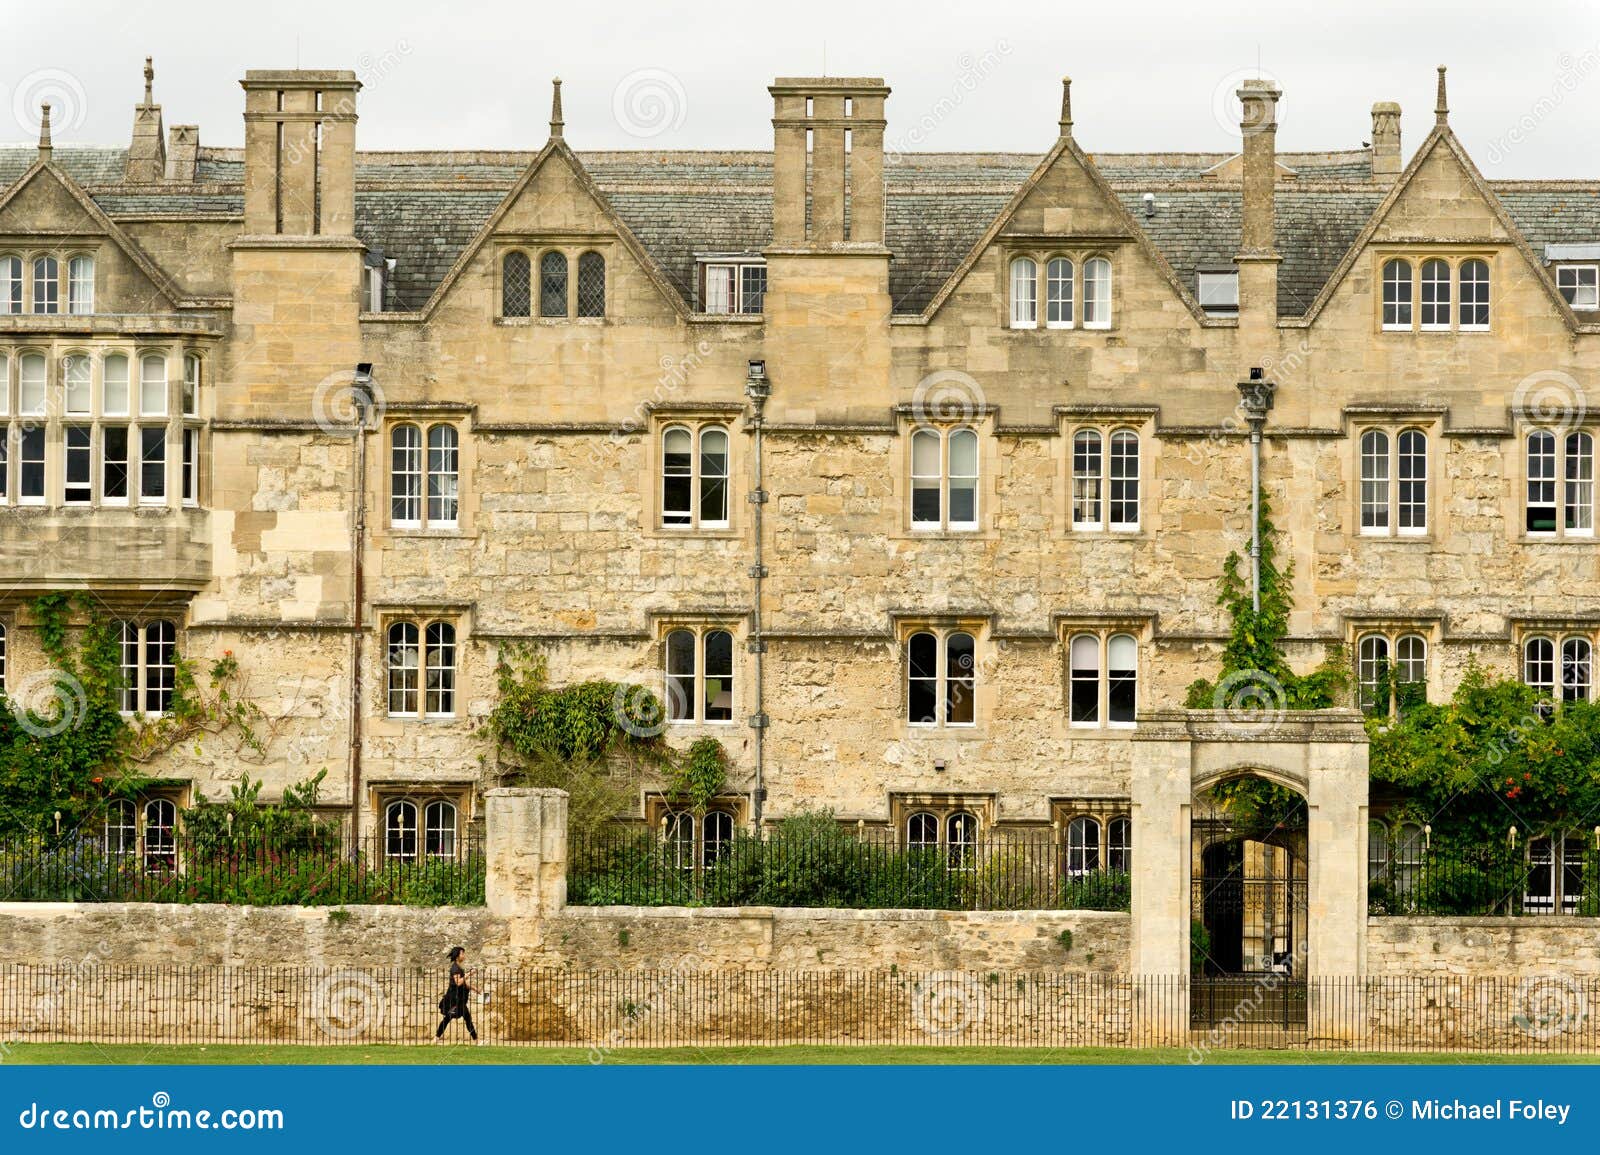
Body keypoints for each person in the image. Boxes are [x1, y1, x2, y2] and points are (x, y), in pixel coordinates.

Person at [433, 945, 478, 1043]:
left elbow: (464, 983)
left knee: (453, 1018)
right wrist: (470, 973)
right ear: (457, 956)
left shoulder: (458, 968)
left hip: (458, 999)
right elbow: (458, 982)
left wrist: (474, 989)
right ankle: (476, 1040)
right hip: (454, 999)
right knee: (460, 1018)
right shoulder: (455, 968)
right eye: (462, 953)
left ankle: (436, 1038)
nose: (464, 955)